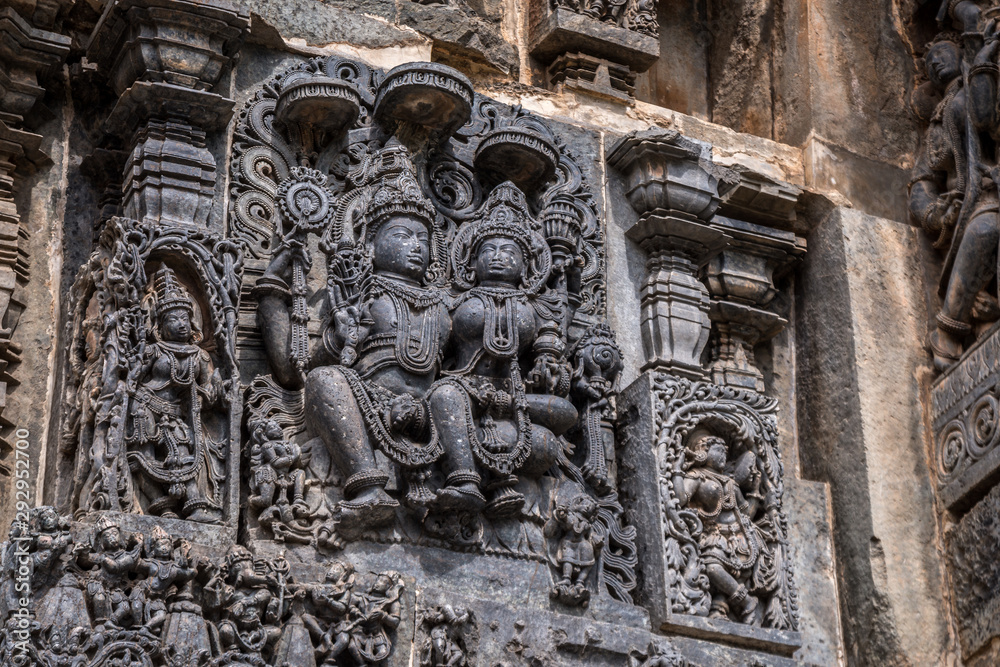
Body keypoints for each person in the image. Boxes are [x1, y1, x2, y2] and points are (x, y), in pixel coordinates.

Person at [256, 144, 450, 528]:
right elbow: (302, 367)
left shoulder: (444, 305)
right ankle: (366, 486)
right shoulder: (358, 291)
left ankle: (464, 480)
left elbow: (464, 368)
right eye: (401, 236)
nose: (414, 247)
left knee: (454, 395)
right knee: (325, 380)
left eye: (422, 240)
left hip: (428, 406)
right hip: (369, 398)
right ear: (371, 246)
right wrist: (338, 339)